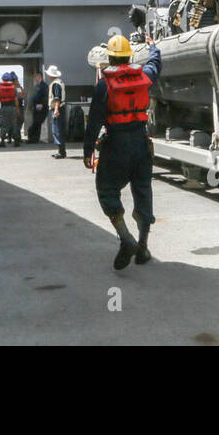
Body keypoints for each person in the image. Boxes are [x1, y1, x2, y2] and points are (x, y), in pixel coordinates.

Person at [84, 34, 161, 270]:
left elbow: (95, 121)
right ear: (130, 55)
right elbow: (155, 63)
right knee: (143, 191)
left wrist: (88, 152)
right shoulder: (145, 75)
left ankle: (126, 237)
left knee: (106, 189)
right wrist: (153, 46)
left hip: (115, 145)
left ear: (110, 58)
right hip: (141, 143)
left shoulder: (104, 84)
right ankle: (143, 247)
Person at [45, 64, 67, 158]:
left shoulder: (55, 84)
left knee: (57, 130)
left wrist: (56, 110)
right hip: (61, 107)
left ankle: (61, 152)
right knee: (59, 129)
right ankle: (61, 151)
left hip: (57, 108)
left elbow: (57, 98)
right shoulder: (59, 82)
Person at [0, 71, 21, 147]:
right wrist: (17, 109)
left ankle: (2, 141)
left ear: (2, 79)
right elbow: (16, 99)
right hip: (13, 108)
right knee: (14, 124)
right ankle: (16, 141)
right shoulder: (13, 87)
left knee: (3, 125)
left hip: (4, 108)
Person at [27, 70, 48, 144]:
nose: (35, 78)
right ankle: (34, 139)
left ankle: (33, 138)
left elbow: (46, 96)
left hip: (41, 107)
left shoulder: (44, 86)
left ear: (39, 76)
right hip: (35, 107)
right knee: (36, 123)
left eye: (36, 76)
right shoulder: (37, 86)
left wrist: (42, 104)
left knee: (36, 123)